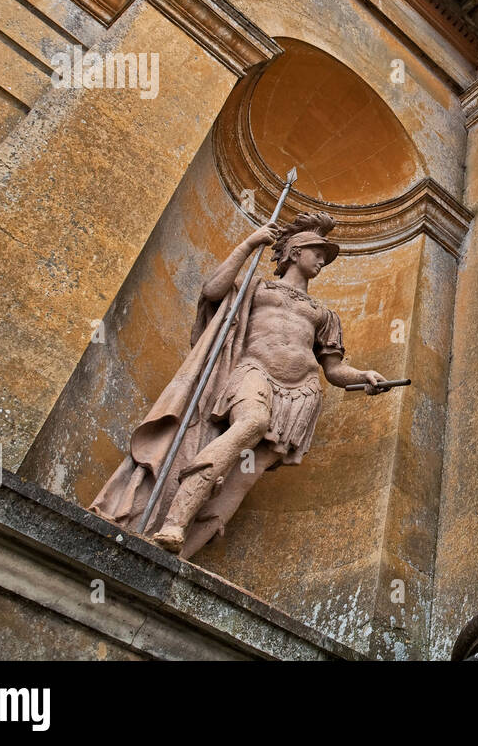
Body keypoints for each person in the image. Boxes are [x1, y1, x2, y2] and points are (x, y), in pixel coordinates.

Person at [89, 212, 391, 557]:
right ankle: (174, 519)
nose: (322, 260)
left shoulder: (323, 314)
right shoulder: (256, 287)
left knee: (246, 474)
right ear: (295, 252)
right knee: (252, 423)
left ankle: (180, 552)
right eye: (317, 252)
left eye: (325, 256)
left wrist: (363, 376)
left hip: (301, 393)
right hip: (254, 371)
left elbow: (334, 370)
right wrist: (249, 244)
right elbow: (212, 290)